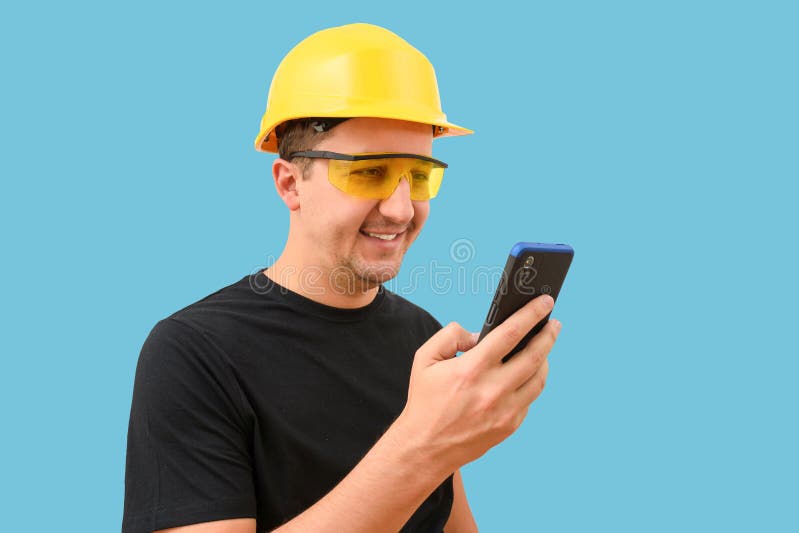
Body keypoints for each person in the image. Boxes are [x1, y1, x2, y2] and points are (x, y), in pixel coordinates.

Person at [122, 23, 561, 533]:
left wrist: (447, 440)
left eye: (418, 176)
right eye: (369, 172)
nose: (401, 209)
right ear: (291, 182)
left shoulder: (422, 338)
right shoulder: (192, 354)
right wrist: (421, 447)